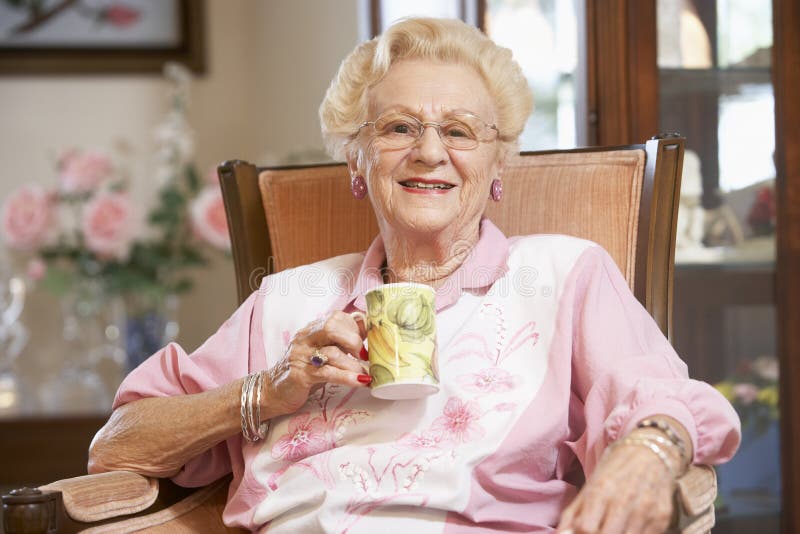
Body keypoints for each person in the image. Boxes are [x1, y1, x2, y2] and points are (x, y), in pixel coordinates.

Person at [88, 17, 740, 533]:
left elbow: (662, 394)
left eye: (459, 131)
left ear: (499, 165)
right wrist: (265, 391)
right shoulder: (289, 302)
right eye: (400, 127)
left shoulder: (564, 274)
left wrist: (651, 451)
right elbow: (117, 445)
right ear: (356, 158)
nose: (430, 151)